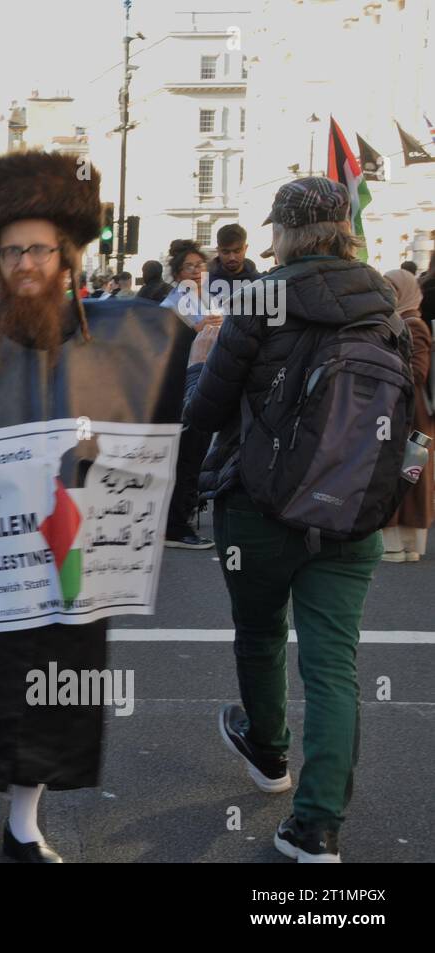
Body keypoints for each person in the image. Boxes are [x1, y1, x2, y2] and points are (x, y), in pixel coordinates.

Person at [0, 150, 144, 862]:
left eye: (38, 249)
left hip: (71, 546)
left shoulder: (110, 346)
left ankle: (24, 820)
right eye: (11, 250)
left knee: (53, 682)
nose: (24, 262)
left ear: (67, 258)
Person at [185, 177, 399, 862]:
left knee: (259, 631)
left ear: (283, 231)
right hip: (352, 509)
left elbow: (208, 410)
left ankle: (268, 752)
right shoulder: (385, 301)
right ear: (343, 229)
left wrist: (176, 494)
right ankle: (318, 826)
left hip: (260, 506)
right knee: (335, 666)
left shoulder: (259, 297)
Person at [160, 238, 216, 550]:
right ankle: (176, 527)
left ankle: (178, 521)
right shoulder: (174, 304)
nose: (196, 272)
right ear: (177, 273)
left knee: (193, 455)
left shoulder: (203, 299)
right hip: (181, 388)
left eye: (200, 266)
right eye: (189, 267)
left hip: (203, 383)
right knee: (186, 458)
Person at [380, 268, 432, 562]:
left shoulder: (411, 324)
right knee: (409, 475)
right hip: (411, 413)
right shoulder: (405, 320)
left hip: (409, 414)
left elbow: (418, 372)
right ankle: (406, 544)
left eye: (392, 288)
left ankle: (398, 544)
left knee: (401, 474)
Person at [207, 223, 261, 305]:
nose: (232, 257)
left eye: (237, 251)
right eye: (226, 252)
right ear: (218, 250)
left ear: (245, 248)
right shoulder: (204, 282)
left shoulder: (259, 283)